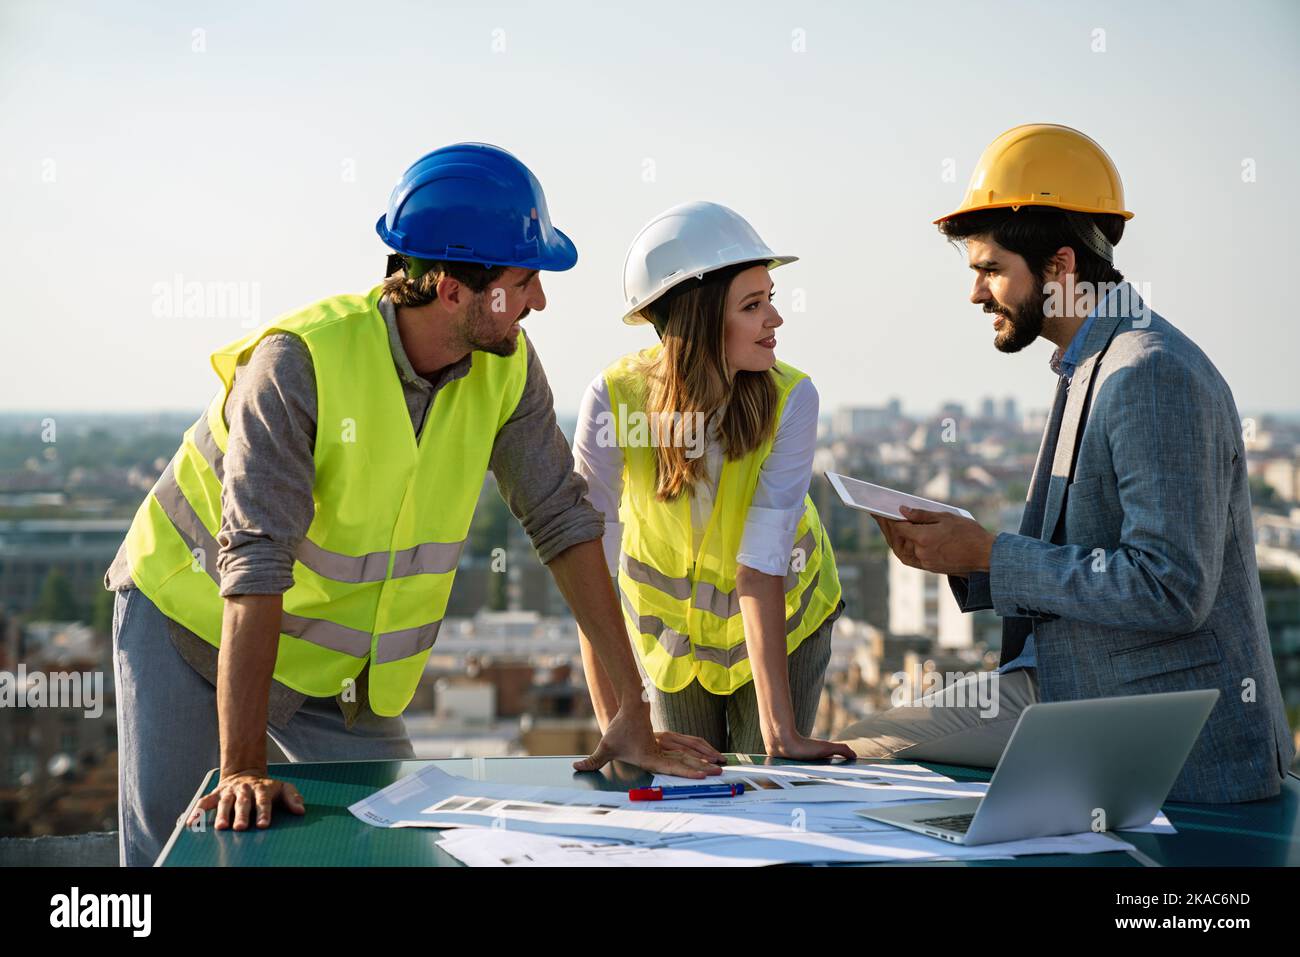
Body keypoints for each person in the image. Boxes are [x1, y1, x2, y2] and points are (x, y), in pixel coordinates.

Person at [104, 143, 721, 867]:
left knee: (394, 847)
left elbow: (564, 522)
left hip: (335, 671)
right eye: (523, 282)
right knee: (178, 854)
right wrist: (242, 764)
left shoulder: (507, 371)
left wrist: (629, 715)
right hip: (195, 625)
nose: (540, 301)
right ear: (451, 289)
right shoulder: (298, 365)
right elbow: (256, 563)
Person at [837, 124, 1294, 803]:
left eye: (991, 270)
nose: (976, 294)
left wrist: (993, 554)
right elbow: (1091, 555)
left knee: (854, 755)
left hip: (1154, 735)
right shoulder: (1092, 361)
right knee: (858, 746)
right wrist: (962, 556)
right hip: (1077, 691)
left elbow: (1172, 586)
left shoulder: (1150, 373)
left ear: (1059, 268)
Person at [573, 201, 853, 761]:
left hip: (783, 625)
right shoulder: (612, 399)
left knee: (767, 782)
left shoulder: (792, 399)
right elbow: (588, 563)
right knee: (689, 787)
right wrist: (618, 722)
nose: (775, 319)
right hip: (672, 637)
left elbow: (761, 564)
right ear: (698, 317)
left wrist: (781, 734)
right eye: (753, 305)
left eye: (770, 299)